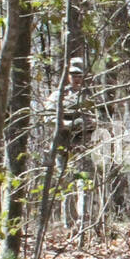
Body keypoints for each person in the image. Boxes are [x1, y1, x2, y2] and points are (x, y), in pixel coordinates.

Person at [47, 57, 96, 227]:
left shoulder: (90, 95)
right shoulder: (58, 95)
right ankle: (68, 222)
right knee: (65, 182)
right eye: (73, 74)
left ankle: (83, 221)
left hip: (83, 143)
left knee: (83, 181)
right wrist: (66, 124)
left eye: (79, 75)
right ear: (67, 75)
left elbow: (101, 115)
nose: (76, 78)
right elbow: (48, 117)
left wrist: (92, 123)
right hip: (62, 143)